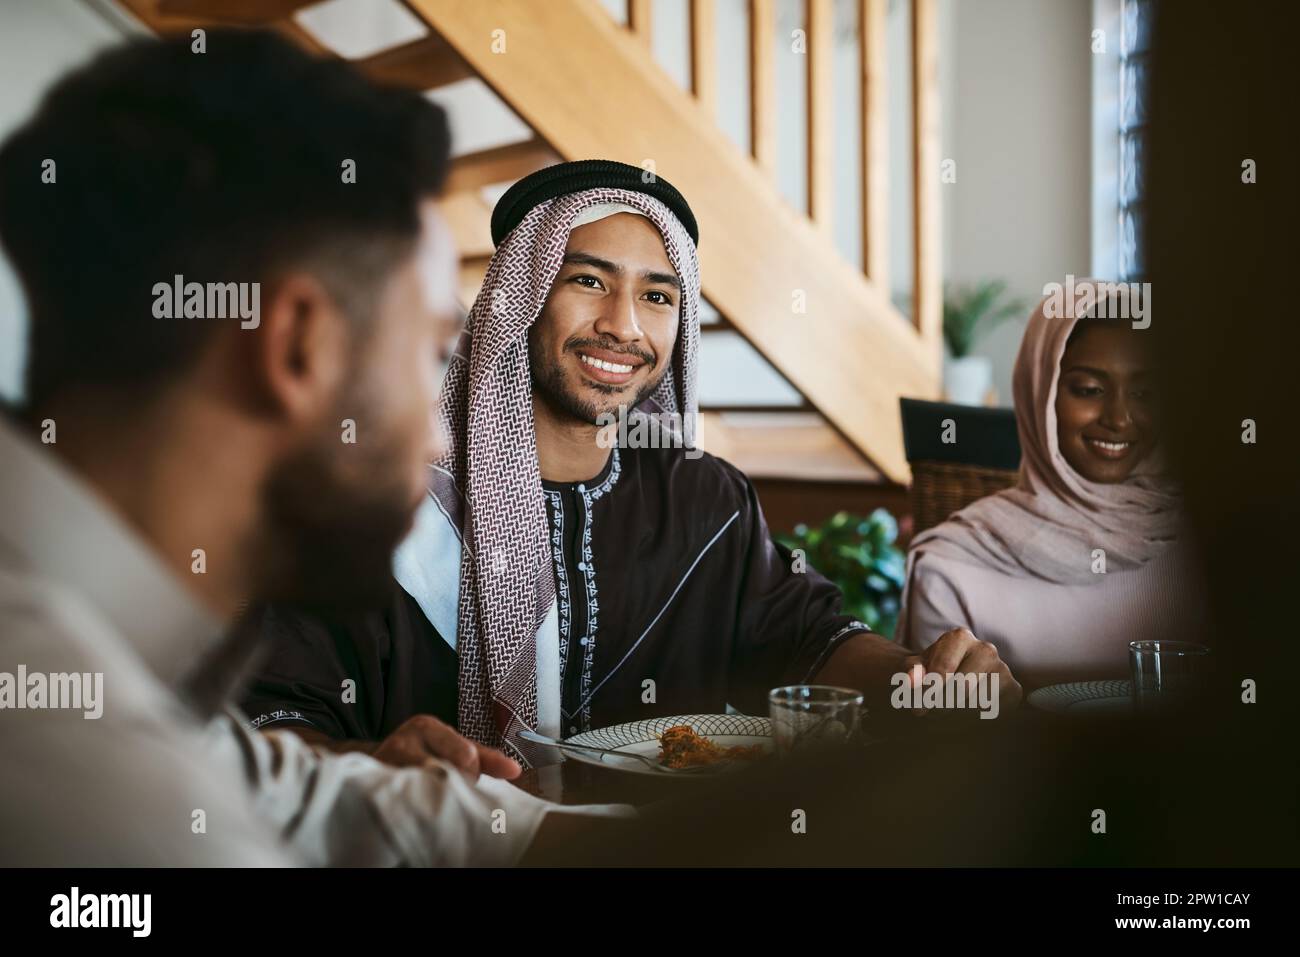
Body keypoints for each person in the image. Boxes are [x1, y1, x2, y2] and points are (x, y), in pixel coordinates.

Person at [0, 31, 624, 866]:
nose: (441, 434)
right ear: (301, 346)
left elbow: (301, 790)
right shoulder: (87, 768)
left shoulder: (102, 648)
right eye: (431, 353)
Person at [243, 160, 1021, 765]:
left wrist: (920, 677)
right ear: (519, 299)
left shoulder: (706, 501)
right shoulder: (386, 507)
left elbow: (810, 636)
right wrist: (370, 760)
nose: (623, 326)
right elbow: (272, 723)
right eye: (587, 281)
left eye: (658, 296)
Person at [898, 289, 1207, 688]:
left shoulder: (1209, 543)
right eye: (1089, 390)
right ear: (1039, 394)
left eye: (1145, 394)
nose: (1119, 418)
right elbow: (938, 736)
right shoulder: (951, 568)